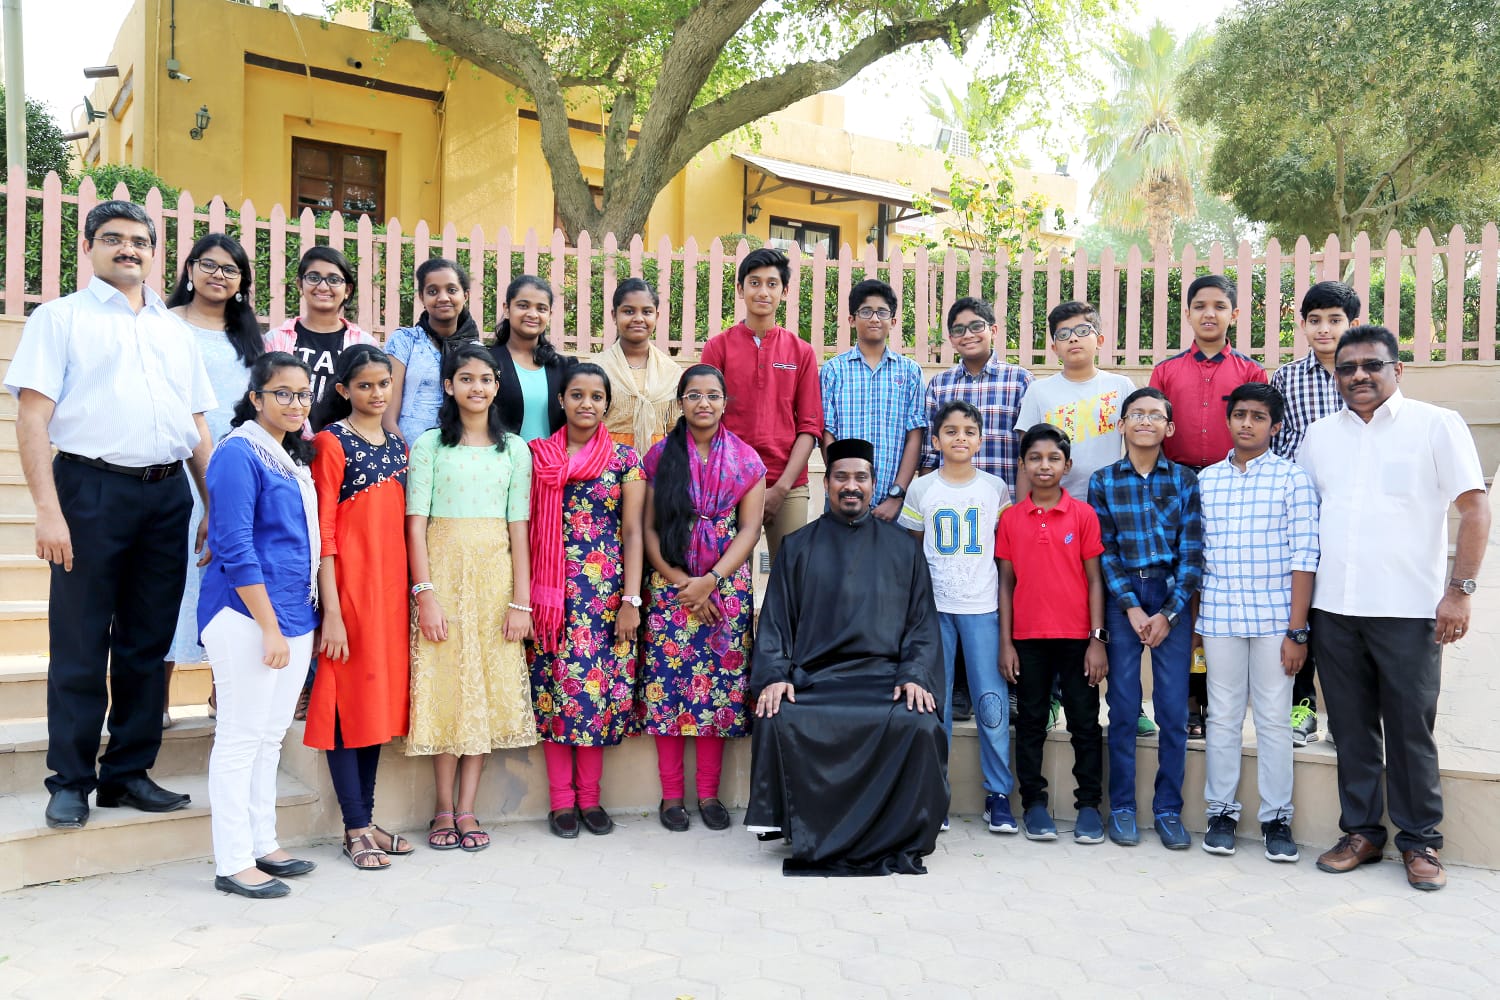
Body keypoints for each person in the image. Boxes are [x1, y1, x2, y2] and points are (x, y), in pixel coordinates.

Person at [6, 200, 215, 831]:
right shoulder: (59, 318)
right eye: (114, 240)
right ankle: (70, 780)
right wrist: (48, 510)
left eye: (140, 241)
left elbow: (197, 423)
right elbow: (33, 417)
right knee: (80, 641)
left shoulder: (175, 330)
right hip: (89, 492)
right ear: (90, 247)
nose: (129, 250)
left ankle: (127, 774)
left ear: (154, 252)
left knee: (147, 645)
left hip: (166, 495)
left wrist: (211, 505)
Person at [1300, 326, 1489, 892]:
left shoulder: (1436, 425)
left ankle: (1421, 841)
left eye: (1371, 365)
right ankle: (1361, 833)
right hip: (1335, 609)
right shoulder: (1318, 436)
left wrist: (1460, 591)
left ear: (1397, 369)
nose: (1358, 375)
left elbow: (1475, 511)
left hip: (1409, 611)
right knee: (1352, 730)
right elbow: (1310, 520)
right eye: (1346, 367)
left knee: (1410, 730)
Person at [746, 438, 948, 877]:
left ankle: (899, 830)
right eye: (841, 477)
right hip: (816, 680)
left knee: (918, 722)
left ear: (874, 484)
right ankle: (792, 826)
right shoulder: (797, 547)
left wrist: (915, 674)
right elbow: (776, 622)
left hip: (884, 679)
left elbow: (921, 625)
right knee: (778, 714)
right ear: (826, 484)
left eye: (860, 478)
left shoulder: (904, 549)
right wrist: (777, 674)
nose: (850, 486)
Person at [405, 343, 537, 853]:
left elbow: (519, 530)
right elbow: (415, 527)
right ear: (448, 386)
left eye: (486, 378)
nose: (476, 387)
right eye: (466, 378)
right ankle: (441, 807)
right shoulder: (430, 446)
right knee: (448, 686)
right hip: (442, 578)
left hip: (495, 581)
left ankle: (468, 808)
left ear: (497, 386)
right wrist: (425, 595)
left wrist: (520, 600)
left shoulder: (515, 450)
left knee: (481, 687)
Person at [198, 352, 321, 899]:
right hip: (247, 616)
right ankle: (232, 861)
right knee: (240, 738)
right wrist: (269, 627)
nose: (295, 404)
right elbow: (235, 545)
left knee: (269, 736)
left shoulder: (286, 456)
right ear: (256, 398)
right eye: (282, 394)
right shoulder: (237, 453)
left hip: (294, 614)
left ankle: (262, 842)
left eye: (302, 394)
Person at [1014, 300, 1149, 739]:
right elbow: (1025, 461)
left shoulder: (1121, 385)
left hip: (1110, 511)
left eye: (1082, 331)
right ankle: (1052, 695)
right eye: (1064, 334)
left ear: (1100, 338)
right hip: (1054, 514)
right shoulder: (1040, 392)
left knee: (1111, 598)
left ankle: (1123, 699)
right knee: (1057, 601)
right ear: (1052, 345)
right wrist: (1021, 514)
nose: (1074, 339)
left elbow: (1137, 446)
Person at [641, 364, 766, 832]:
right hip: (672, 585)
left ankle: (709, 795)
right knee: (670, 688)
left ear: (725, 402)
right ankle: (672, 796)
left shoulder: (747, 461)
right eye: (693, 395)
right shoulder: (658, 457)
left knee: (716, 690)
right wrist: (681, 584)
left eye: (713, 395)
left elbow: (750, 529)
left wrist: (711, 580)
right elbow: (649, 530)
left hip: (724, 587)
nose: (703, 404)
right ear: (680, 403)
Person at [1197, 384, 1318, 864]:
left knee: (1272, 719)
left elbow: (1304, 557)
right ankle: (1221, 813)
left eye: (1258, 417)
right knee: (1222, 717)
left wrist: (1297, 630)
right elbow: (1199, 555)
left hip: (1275, 622)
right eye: (1240, 415)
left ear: (1276, 426)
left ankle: (1276, 819)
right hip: (1221, 617)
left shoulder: (1293, 480)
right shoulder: (1205, 481)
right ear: (1228, 420)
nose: (1247, 424)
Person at [306, 346, 413, 870]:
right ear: (344, 390)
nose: (376, 393)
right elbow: (323, 531)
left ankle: (366, 821)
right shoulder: (330, 442)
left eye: (384, 384)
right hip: (348, 593)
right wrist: (332, 611)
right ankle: (354, 828)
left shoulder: (398, 444)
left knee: (374, 709)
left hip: (390, 597)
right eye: (365, 385)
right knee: (348, 710)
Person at [528, 363, 645, 839]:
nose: (587, 405)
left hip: (604, 598)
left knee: (592, 696)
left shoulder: (625, 460)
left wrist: (631, 599)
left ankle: (590, 801)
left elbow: (634, 531)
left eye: (597, 397)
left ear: (606, 404)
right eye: (577, 395)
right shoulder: (536, 455)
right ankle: (561, 804)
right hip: (550, 597)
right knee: (555, 697)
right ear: (561, 401)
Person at [1149, 274, 1266, 738]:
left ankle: (1221, 700)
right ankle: (1189, 701)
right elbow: (1153, 430)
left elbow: (1257, 427)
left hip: (1231, 485)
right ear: (1189, 314)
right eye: (1200, 305)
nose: (1209, 313)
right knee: (1185, 589)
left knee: (1217, 590)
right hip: (1177, 487)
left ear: (1234, 314)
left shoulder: (1251, 373)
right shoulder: (1166, 371)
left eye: (1220, 305)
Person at [1088, 387, 1203, 851]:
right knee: (1122, 708)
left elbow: (1193, 554)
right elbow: (1105, 551)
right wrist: (1133, 608)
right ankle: (1120, 808)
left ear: (1169, 428)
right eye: (1136, 414)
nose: (1145, 422)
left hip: (1172, 598)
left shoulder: (1185, 481)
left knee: (1173, 711)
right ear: (1122, 424)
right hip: (1124, 599)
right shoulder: (1103, 480)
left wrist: (1170, 612)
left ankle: (1168, 810)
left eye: (1156, 415)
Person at [897, 401, 1015, 834]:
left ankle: (998, 794)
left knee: (991, 704)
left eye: (969, 430)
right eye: (950, 431)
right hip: (935, 612)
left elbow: (1004, 554)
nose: (960, 437)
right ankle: (935, 792)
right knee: (936, 704)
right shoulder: (922, 489)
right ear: (936, 439)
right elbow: (911, 551)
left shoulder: (995, 488)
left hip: (982, 608)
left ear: (981, 439)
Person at [162, 233, 264, 728]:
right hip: (174, 468)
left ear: (242, 281)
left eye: (231, 269)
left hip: (238, 471)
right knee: (169, 582)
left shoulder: (248, 336)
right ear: (190, 268)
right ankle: (153, 702)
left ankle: (221, 696)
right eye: (209, 265)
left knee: (227, 579)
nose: (219, 275)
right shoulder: (163, 324)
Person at [921, 296, 1031, 723]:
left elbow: (1026, 449)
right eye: (959, 329)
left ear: (993, 330)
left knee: (1001, 592)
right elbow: (932, 452)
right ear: (950, 338)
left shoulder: (1020, 380)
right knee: (955, 593)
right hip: (951, 506)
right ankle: (961, 688)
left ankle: (1012, 683)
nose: (968, 334)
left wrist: (1021, 510)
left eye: (976, 326)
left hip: (999, 506)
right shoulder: (940, 385)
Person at [997, 424, 1108, 845]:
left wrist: (1098, 639)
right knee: (1029, 723)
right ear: (1023, 464)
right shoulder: (1010, 518)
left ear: (1067, 465)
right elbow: (1005, 583)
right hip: (1027, 639)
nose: (1044, 466)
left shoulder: (1083, 515)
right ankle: (1034, 804)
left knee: (1084, 722)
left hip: (1078, 638)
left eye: (1053, 458)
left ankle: (1089, 807)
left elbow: (1095, 580)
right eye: (1035, 458)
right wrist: (1006, 642)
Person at [1270, 280, 1360, 747]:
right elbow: (1279, 444)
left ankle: (1348, 715)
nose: (1324, 329)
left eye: (1335, 320)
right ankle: (1301, 707)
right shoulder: (1286, 378)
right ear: (1303, 326)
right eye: (1315, 320)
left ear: (1353, 324)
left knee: (1345, 615)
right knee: (1301, 608)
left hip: (1353, 512)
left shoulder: (1364, 375)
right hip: (1303, 512)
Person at [700, 248, 823, 562]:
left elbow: (809, 427)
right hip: (728, 483)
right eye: (754, 283)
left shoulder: (801, 352)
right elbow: (705, 420)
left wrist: (781, 488)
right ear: (740, 289)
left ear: (784, 291)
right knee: (727, 575)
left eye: (772, 283)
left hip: (788, 483)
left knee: (792, 575)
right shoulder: (718, 348)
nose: (763, 291)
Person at [820, 279, 925, 520]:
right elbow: (827, 433)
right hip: (843, 500)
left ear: (893, 321)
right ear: (851, 319)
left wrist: (896, 495)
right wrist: (842, 487)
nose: (875, 318)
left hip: (894, 503)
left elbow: (915, 436)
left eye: (882, 312)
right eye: (866, 311)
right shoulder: (833, 371)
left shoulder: (910, 372)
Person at [383, 258, 482, 448]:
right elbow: (387, 413)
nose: (443, 297)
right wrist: (405, 457)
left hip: (458, 456)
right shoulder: (405, 341)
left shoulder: (475, 350)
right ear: (421, 297)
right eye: (433, 291)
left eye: (452, 290)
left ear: (465, 295)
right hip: (405, 452)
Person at [264, 246, 377, 406]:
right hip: (285, 430)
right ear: (299, 284)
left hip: (341, 431)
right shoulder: (275, 340)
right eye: (313, 277)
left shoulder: (364, 345)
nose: (323, 287)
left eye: (334, 279)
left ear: (348, 290)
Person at [597, 278, 681, 454]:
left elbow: (675, 429)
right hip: (606, 464)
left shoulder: (671, 372)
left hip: (657, 465)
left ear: (656, 316)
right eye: (628, 311)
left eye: (647, 312)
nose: (638, 318)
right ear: (614, 315)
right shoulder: (597, 369)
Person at [491, 275, 570, 441]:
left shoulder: (564, 367)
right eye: (523, 306)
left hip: (553, 464)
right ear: (506, 309)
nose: (532, 314)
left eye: (541, 308)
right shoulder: (487, 363)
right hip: (503, 463)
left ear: (549, 314)